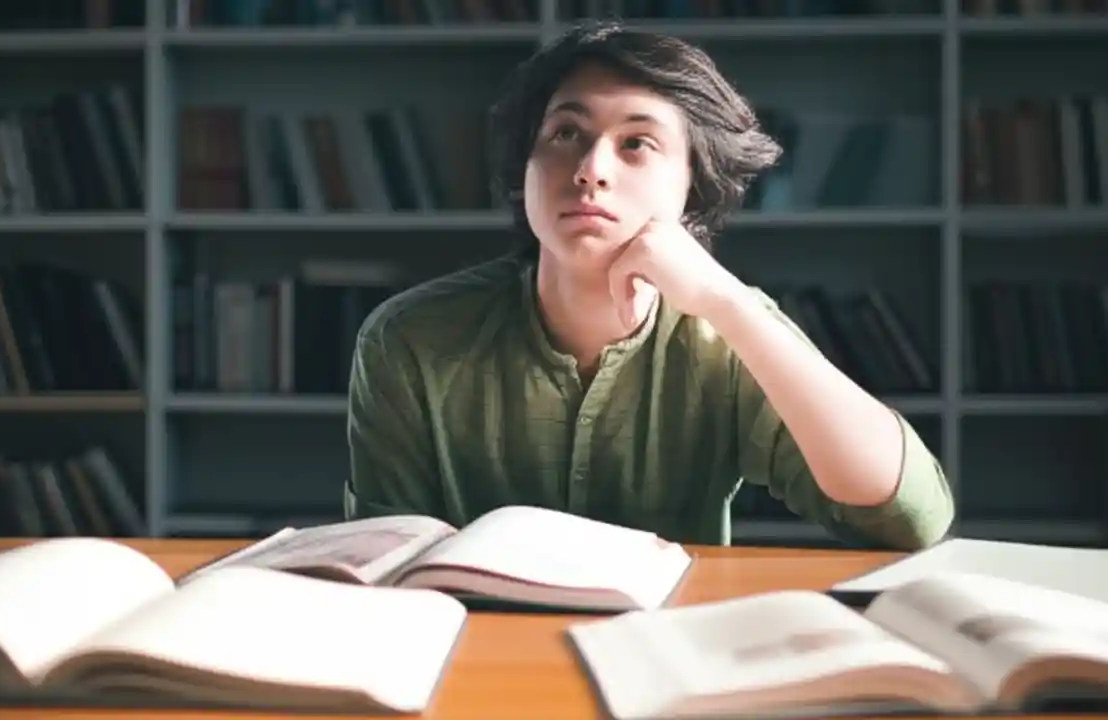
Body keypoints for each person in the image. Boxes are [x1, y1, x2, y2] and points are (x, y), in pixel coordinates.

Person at [343, 20, 955, 550]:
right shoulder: (408, 340)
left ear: (694, 184)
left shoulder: (729, 333)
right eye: (564, 134)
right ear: (522, 168)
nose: (590, 171)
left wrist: (725, 302)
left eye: (637, 143)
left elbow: (911, 518)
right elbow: (388, 562)